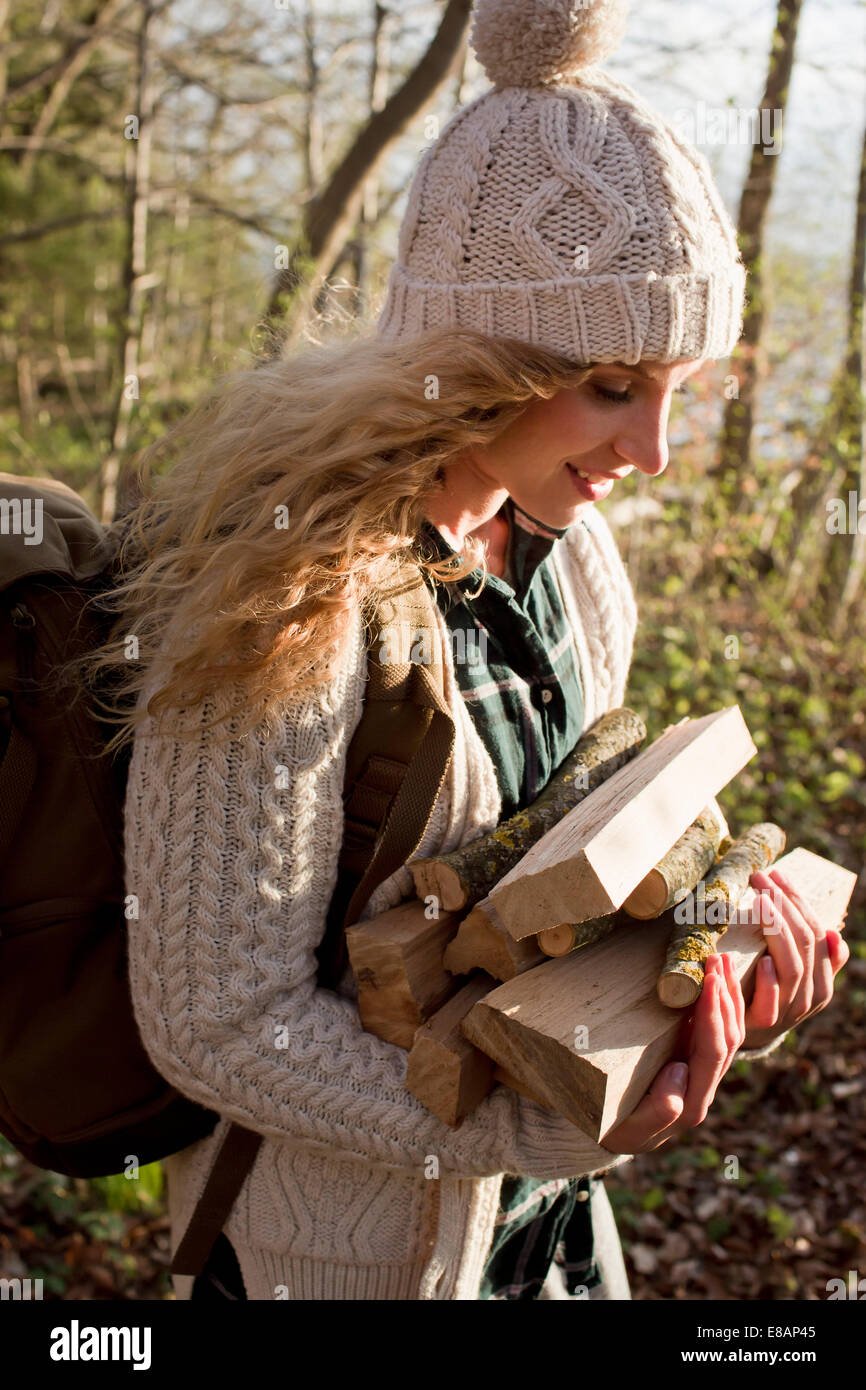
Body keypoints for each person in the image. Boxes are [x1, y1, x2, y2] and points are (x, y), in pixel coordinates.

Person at [99, 0, 848, 1301]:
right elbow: (217, 1023)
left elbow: (563, 876)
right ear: (471, 364)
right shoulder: (284, 597)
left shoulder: (576, 563)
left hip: (547, 1243)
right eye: (611, 386)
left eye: (684, 387)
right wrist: (534, 1122)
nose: (652, 452)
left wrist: (704, 933)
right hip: (332, 1255)